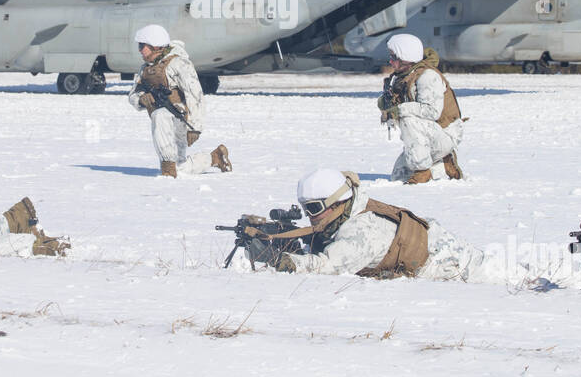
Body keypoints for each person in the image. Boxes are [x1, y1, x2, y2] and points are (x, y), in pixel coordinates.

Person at [237, 169, 515, 283]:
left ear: (336, 203)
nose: (310, 217)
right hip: (433, 241)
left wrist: (284, 261)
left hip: (451, 263)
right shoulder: (346, 212)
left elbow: (328, 266)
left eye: (314, 209)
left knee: (506, 276)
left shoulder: (360, 232)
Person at [127, 24, 231, 178]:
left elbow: (195, 95)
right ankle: (215, 158)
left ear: (155, 46)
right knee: (180, 168)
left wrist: (195, 127)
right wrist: (141, 100)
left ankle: (167, 166)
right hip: (164, 122)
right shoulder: (145, 69)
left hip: (180, 119)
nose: (140, 50)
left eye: (142, 46)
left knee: (160, 115)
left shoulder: (179, 64)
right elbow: (132, 94)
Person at [377, 33, 464, 184]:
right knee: (398, 176)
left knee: (408, 118)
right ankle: (442, 164)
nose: (390, 62)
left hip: (445, 133)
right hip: (427, 135)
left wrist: (400, 110)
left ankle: (422, 171)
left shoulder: (427, 76)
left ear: (405, 58)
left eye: (394, 57)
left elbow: (432, 111)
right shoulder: (402, 77)